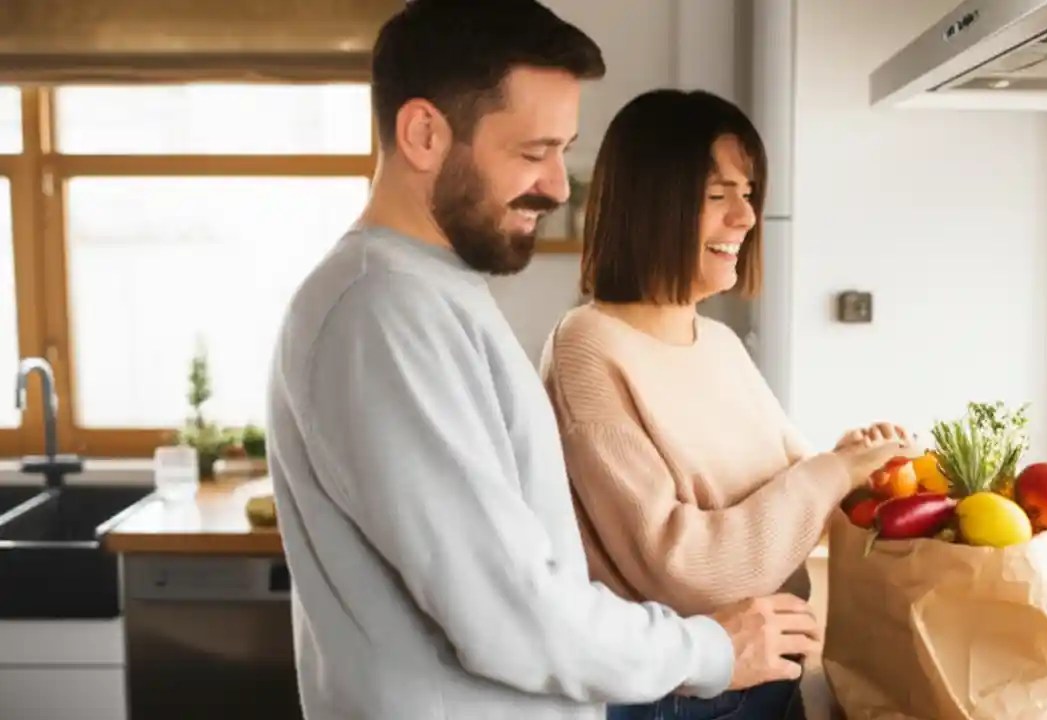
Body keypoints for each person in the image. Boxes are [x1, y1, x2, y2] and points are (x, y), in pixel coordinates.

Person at [264, 2, 900, 719]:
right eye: (533, 153)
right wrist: (713, 650)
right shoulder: (381, 312)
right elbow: (511, 610)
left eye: (561, 152)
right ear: (424, 134)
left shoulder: (434, 296)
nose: (561, 187)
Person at [539, 89, 913, 720]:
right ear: (651, 203)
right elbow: (684, 566)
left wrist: (855, 461)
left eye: (749, 192)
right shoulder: (588, 348)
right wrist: (829, 474)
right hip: (684, 701)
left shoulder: (717, 342)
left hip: (767, 677)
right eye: (718, 196)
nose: (745, 217)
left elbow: (796, 497)